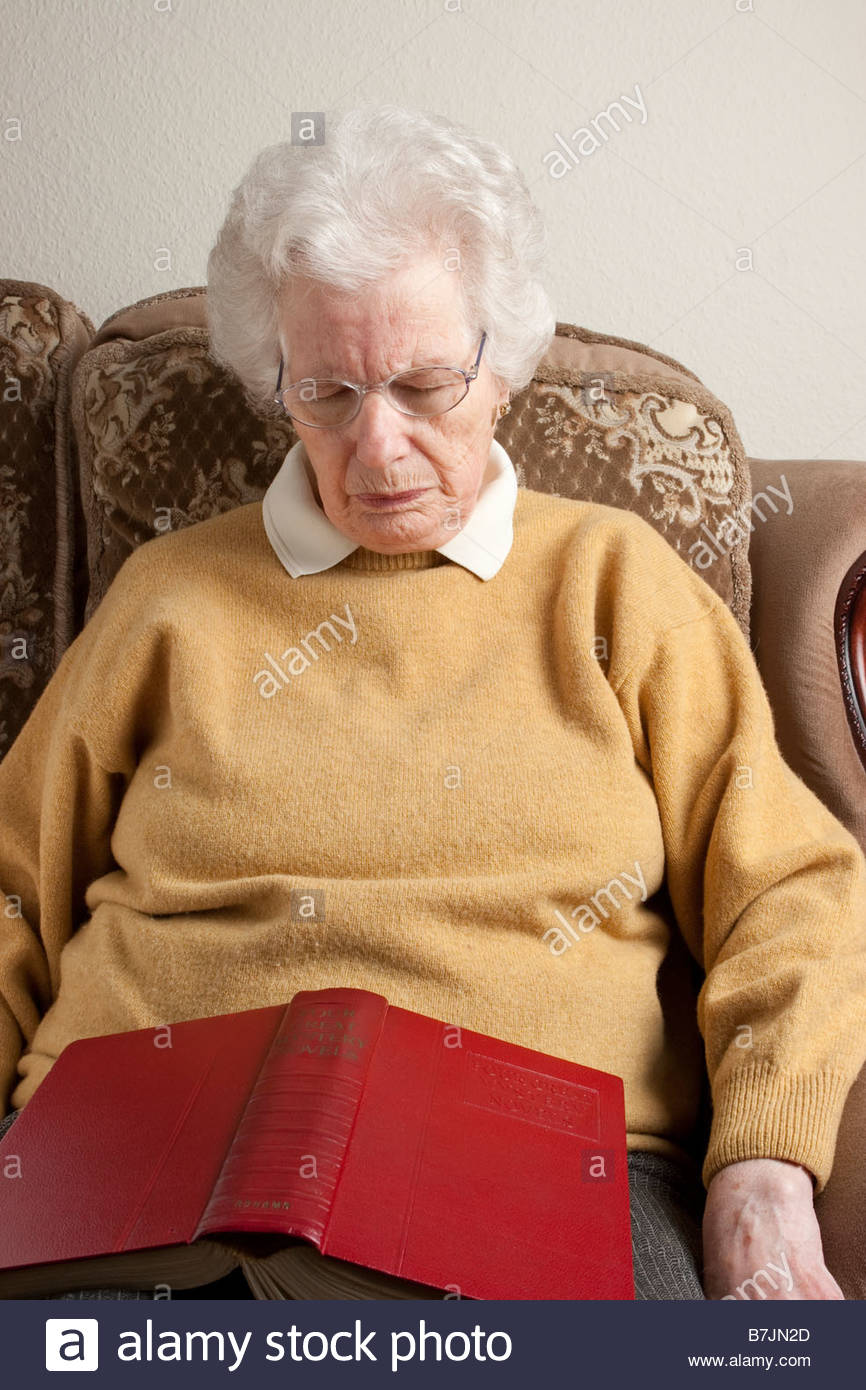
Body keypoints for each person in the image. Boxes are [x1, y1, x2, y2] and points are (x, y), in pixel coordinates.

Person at [1, 105, 865, 1303]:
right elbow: (11, 892)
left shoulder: (610, 580)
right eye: (329, 391)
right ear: (274, 384)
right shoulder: (168, 600)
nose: (379, 446)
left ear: (502, 365)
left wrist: (764, 1164)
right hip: (144, 1166)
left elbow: (788, 885)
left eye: (422, 384)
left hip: (551, 1163)